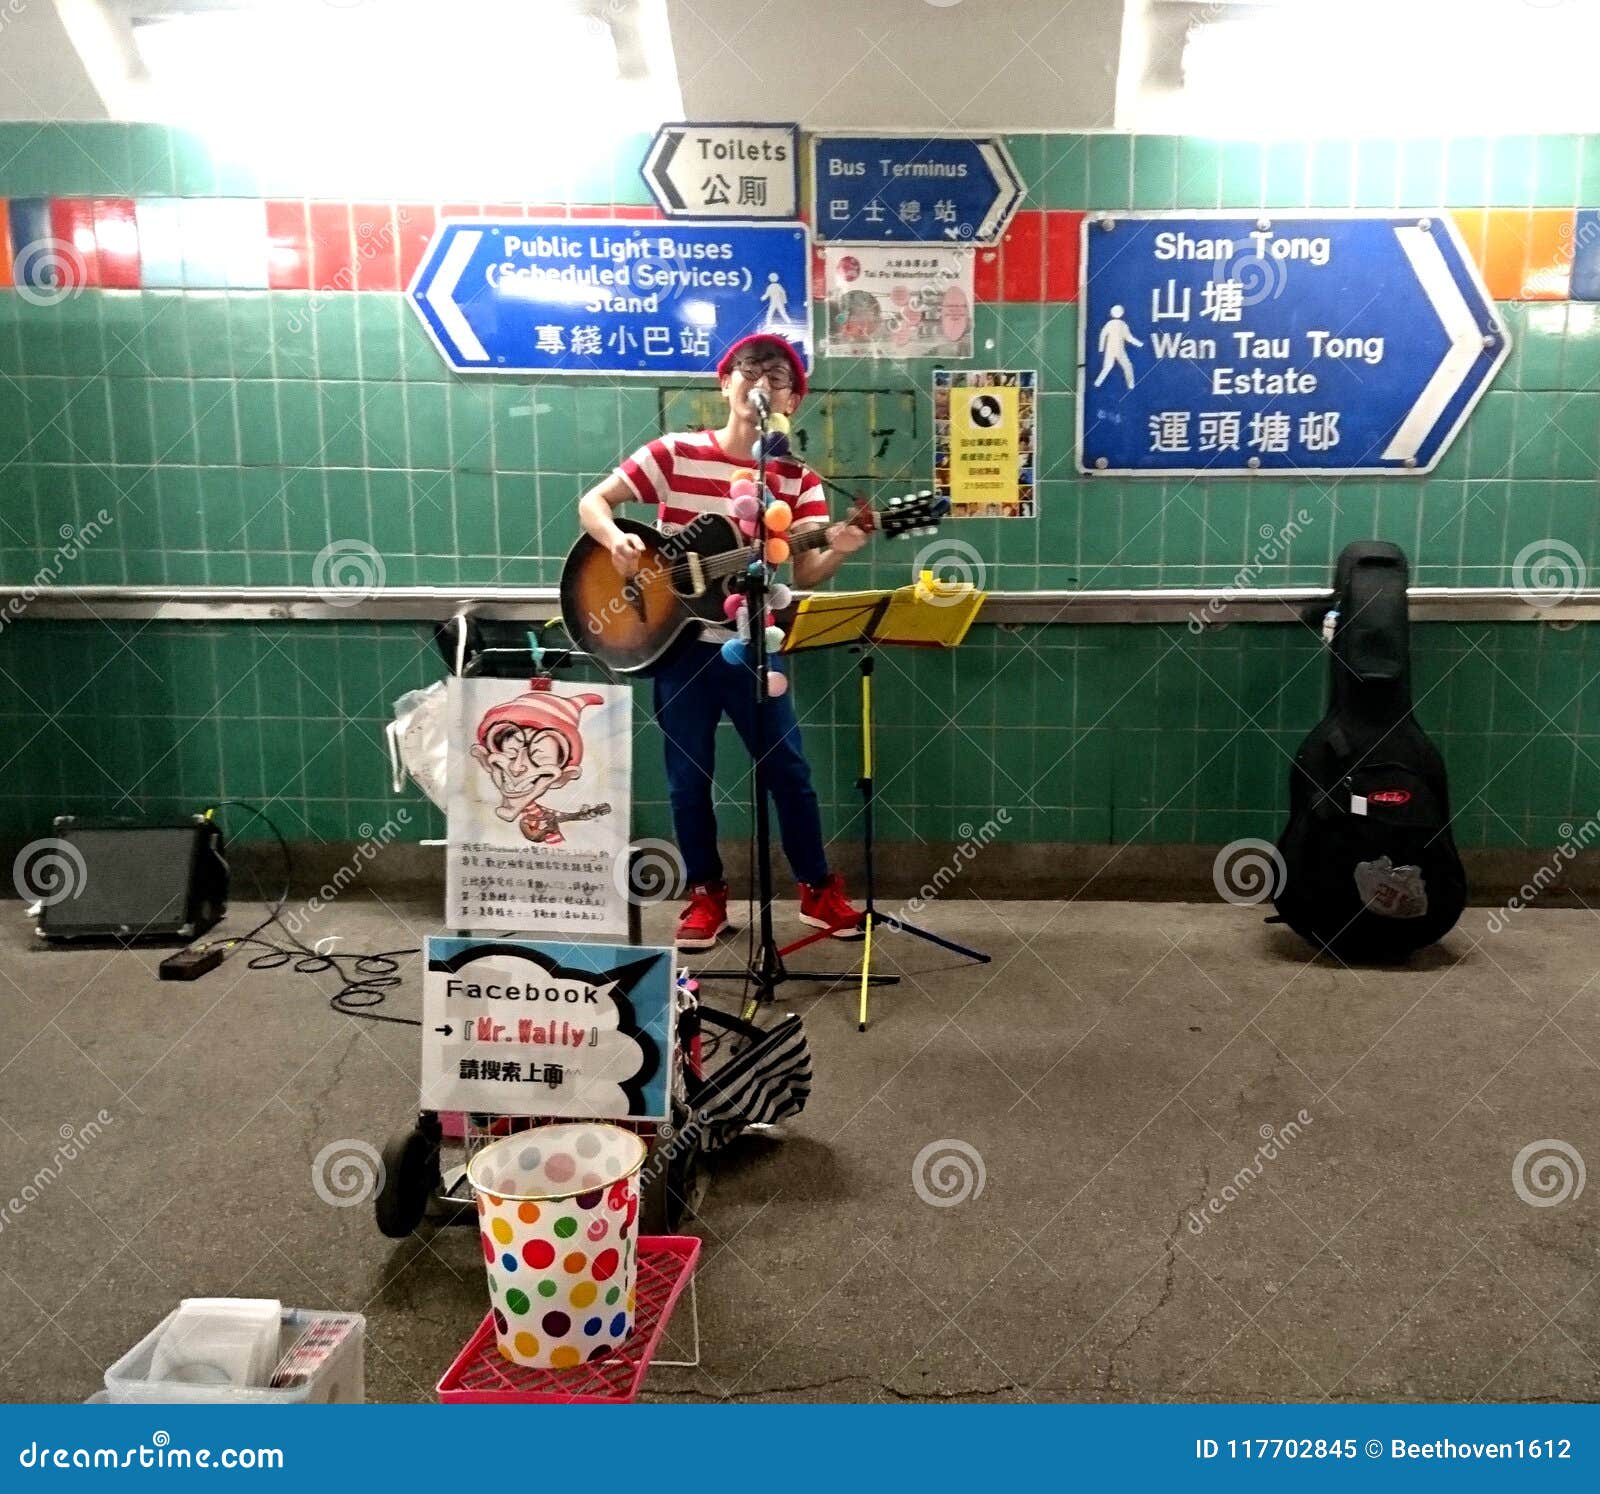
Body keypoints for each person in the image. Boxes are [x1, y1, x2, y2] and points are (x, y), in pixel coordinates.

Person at [576, 333, 868, 951]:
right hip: (677, 644)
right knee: (688, 776)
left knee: (789, 771)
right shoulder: (674, 453)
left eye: (779, 375)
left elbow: (804, 570)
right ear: (725, 383)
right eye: (750, 368)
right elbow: (594, 502)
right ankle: (704, 895)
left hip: (756, 642)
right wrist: (616, 541)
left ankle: (817, 890)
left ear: (792, 398)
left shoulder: (798, 479)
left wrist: (838, 549)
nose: (762, 380)